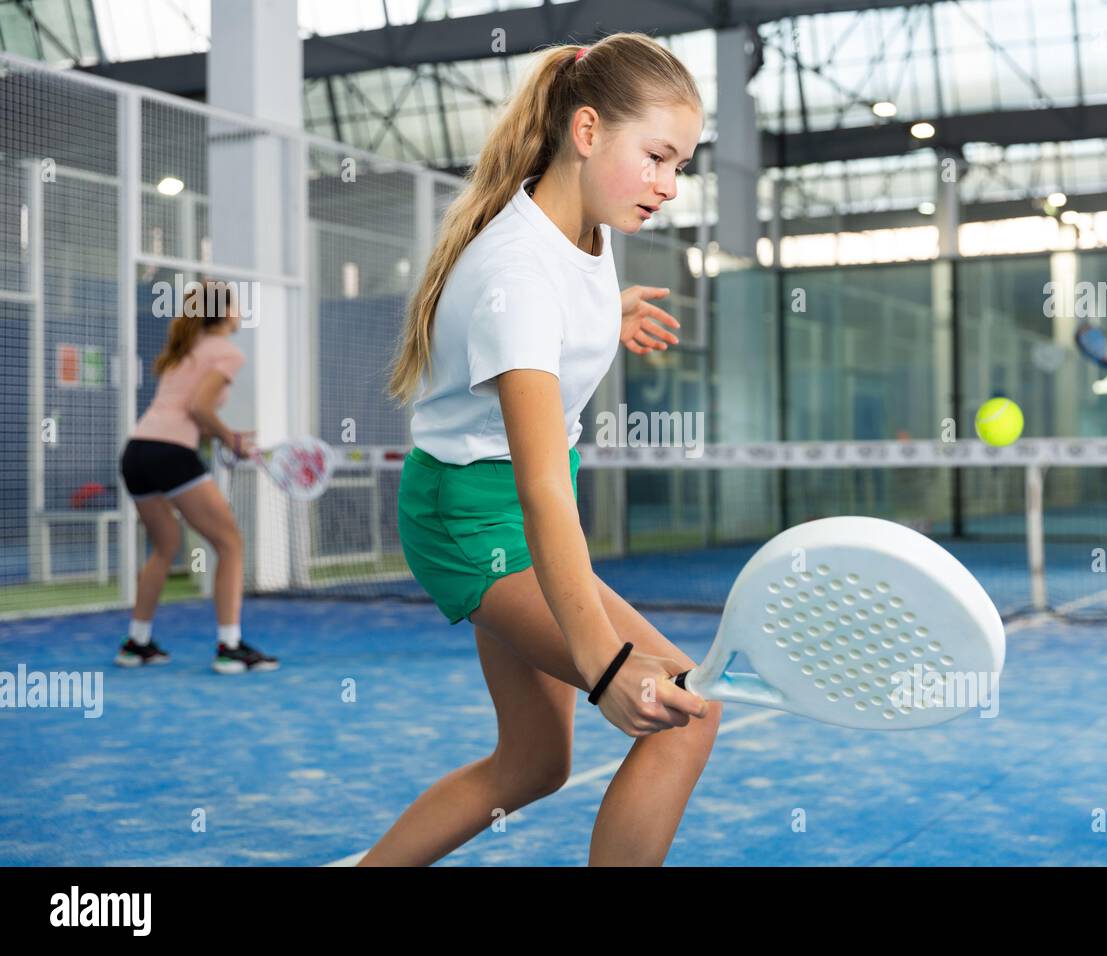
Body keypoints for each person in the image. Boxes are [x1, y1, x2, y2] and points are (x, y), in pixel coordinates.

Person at [361, 34, 719, 867]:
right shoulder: (517, 278)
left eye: (682, 165)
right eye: (658, 157)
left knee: (534, 764)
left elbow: (556, 309)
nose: (670, 185)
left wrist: (604, 317)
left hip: (491, 507)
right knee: (687, 711)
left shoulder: (583, 224)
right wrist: (600, 658)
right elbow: (543, 494)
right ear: (588, 132)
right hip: (478, 519)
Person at [115, 279, 279, 673]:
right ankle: (230, 646)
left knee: (165, 545)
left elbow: (181, 412)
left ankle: (137, 643)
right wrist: (231, 439)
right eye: (236, 305)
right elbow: (199, 407)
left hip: (137, 452)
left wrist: (226, 435)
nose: (240, 311)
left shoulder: (183, 351)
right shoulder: (226, 352)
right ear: (223, 313)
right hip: (171, 454)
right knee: (230, 544)